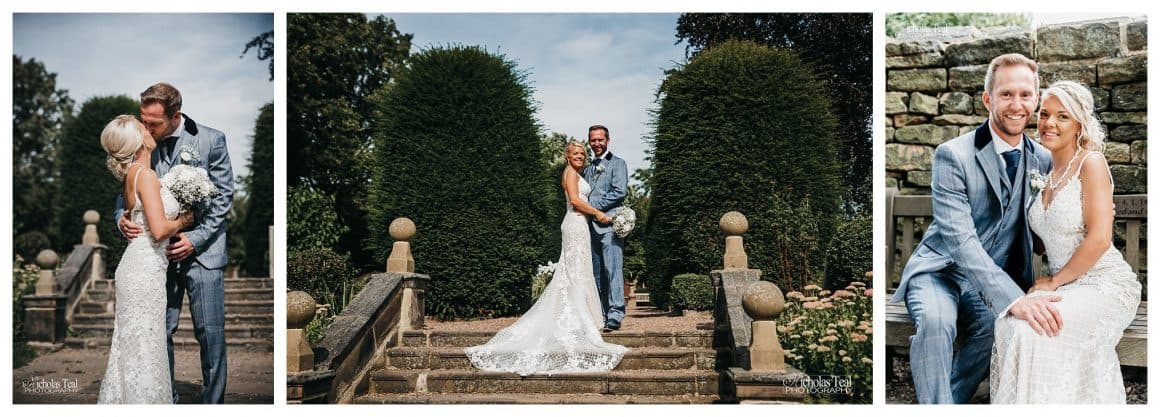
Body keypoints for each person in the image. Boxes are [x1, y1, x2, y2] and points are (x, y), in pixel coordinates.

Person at [890, 53, 1054, 404]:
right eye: (1006, 94)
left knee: (998, 326)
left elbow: (1043, 228)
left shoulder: (1042, 159)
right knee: (936, 323)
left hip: (987, 280)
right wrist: (1013, 298)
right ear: (987, 99)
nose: (1016, 104)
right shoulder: (953, 155)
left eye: (1025, 95)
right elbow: (960, 240)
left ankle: (945, 402)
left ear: (1036, 100)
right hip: (940, 272)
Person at [990, 80, 1142, 403]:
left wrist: (1053, 281)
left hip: (1104, 283)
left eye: (1062, 117)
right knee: (1012, 324)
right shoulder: (1042, 171)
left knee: (1039, 330)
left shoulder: (1091, 163)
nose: (1049, 123)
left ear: (1079, 125)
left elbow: (1100, 239)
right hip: (1064, 287)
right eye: (1045, 114)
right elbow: (1044, 241)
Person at [465, 140, 628, 375]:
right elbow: (574, 201)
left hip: (580, 226)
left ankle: (581, 318)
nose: (580, 156)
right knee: (574, 272)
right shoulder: (570, 173)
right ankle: (576, 320)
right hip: (575, 224)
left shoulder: (578, 172)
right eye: (575, 153)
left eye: (583, 153)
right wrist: (598, 213)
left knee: (579, 271)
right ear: (567, 156)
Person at [115, 83, 234, 403]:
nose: (146, 127)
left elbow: (223, 200)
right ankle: (166, 401)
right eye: (144, 119)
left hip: (203, 254)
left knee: (210, 335)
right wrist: (121, 218)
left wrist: (194, 239)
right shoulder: (140, 144)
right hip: (155, 256)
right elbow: (126, 192)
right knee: (158, 333)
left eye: (153, 122)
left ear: (175, 115)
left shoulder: (211, 140)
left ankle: (214, 404)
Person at [98, 115, 194, 404]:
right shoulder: (147, 176)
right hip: (144, 272)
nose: (149, 129)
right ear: (139, 141)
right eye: (143, 127)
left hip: (137, 267)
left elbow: (135, 218)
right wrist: (187, 218)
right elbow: (160, 229)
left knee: (135, 345)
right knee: (147, 346)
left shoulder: (133, 176)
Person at [583, 125, 629, 332]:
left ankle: (615, 314)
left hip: (608, 224)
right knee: (596, 273)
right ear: (589, 142)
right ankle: (600, 313)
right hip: (587, 228)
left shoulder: (618, 164)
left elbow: (619, 191)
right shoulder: (587, 168)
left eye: (600, 139)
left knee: (613, 270)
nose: (597, 144)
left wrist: (593, 209)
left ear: (608, 140)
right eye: (593, 140)